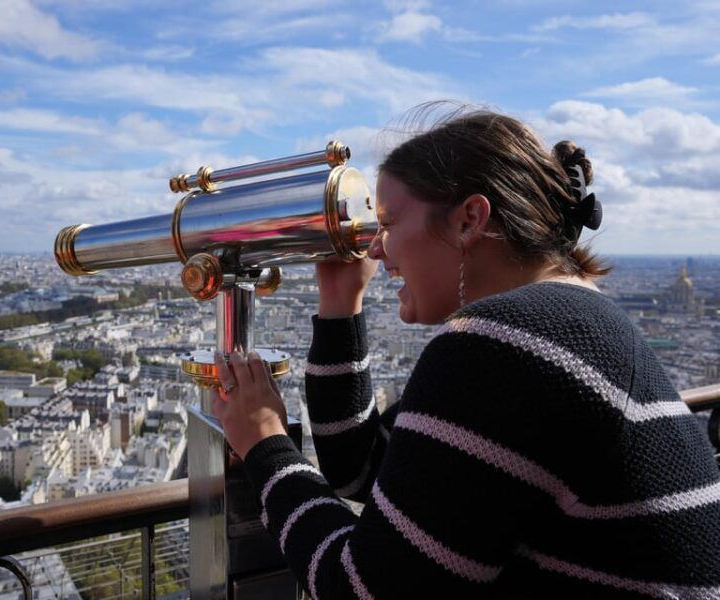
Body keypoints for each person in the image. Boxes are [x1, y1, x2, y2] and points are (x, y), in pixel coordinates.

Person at [210, 104, 720, 599]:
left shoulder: (512, 342)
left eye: (387, 222)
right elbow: (363, 469)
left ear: (468, 220)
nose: (376, 247)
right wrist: (341, 303)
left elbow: (361, 587)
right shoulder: (569, 327)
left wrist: (263, 442)